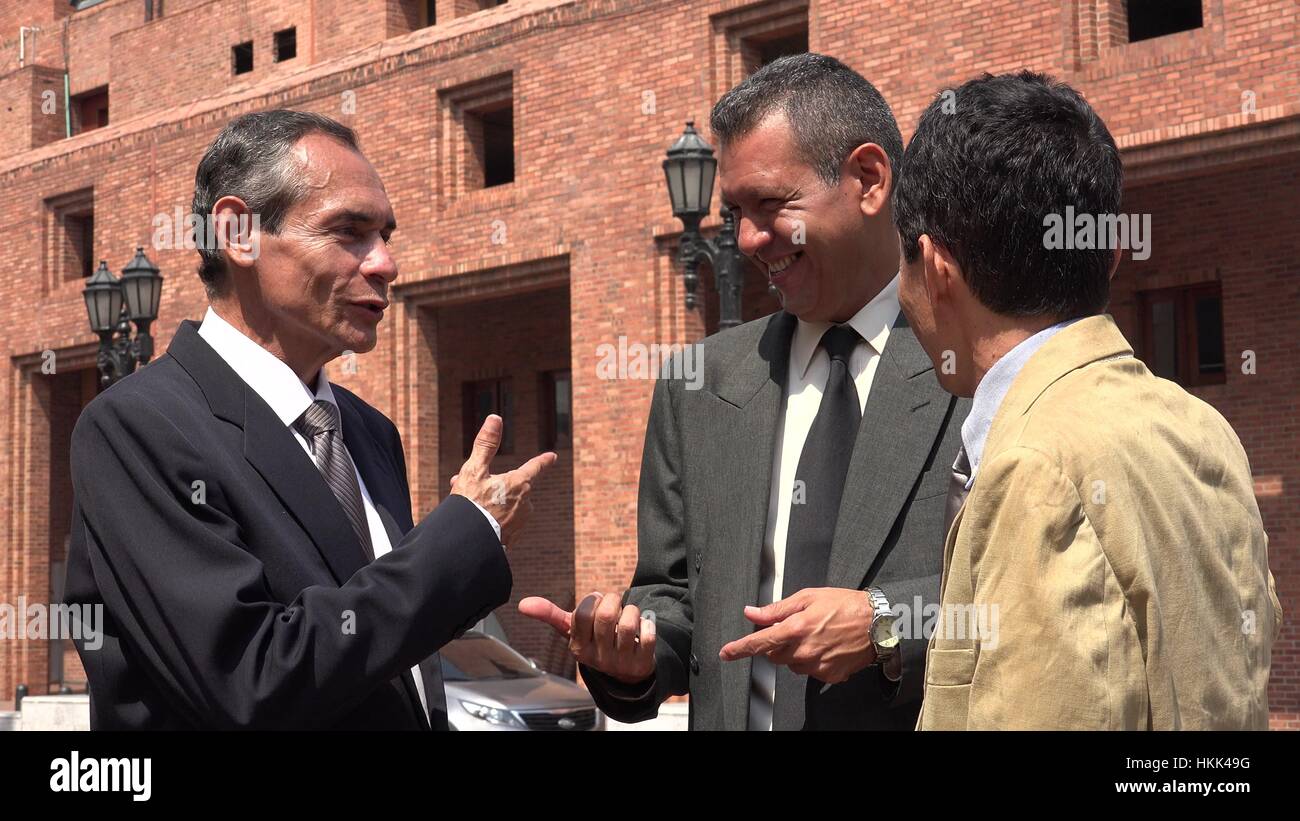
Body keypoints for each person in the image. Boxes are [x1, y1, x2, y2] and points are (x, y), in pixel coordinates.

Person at [64, 110, 555, 730]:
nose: (385, 263)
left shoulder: (370, 433)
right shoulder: (137, 428)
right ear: (238, 232)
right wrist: (464, 536)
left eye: (386, 235)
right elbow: (250, 680)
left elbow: (386, 659)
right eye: (348, 231)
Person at [522, 54, 967, 730]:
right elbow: (673, 601)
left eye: (771, 205)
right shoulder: (698, 384)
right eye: (735, 214)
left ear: (869, 180)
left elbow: (1028, 595)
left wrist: (887, 624)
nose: (751, 239)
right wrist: (631, 655)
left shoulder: (973, 363)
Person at [891, 71, 1282, 729]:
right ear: (1110, 257)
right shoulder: (1204, 425)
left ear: (934, 267)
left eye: (900, 270)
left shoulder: (1035, 465)